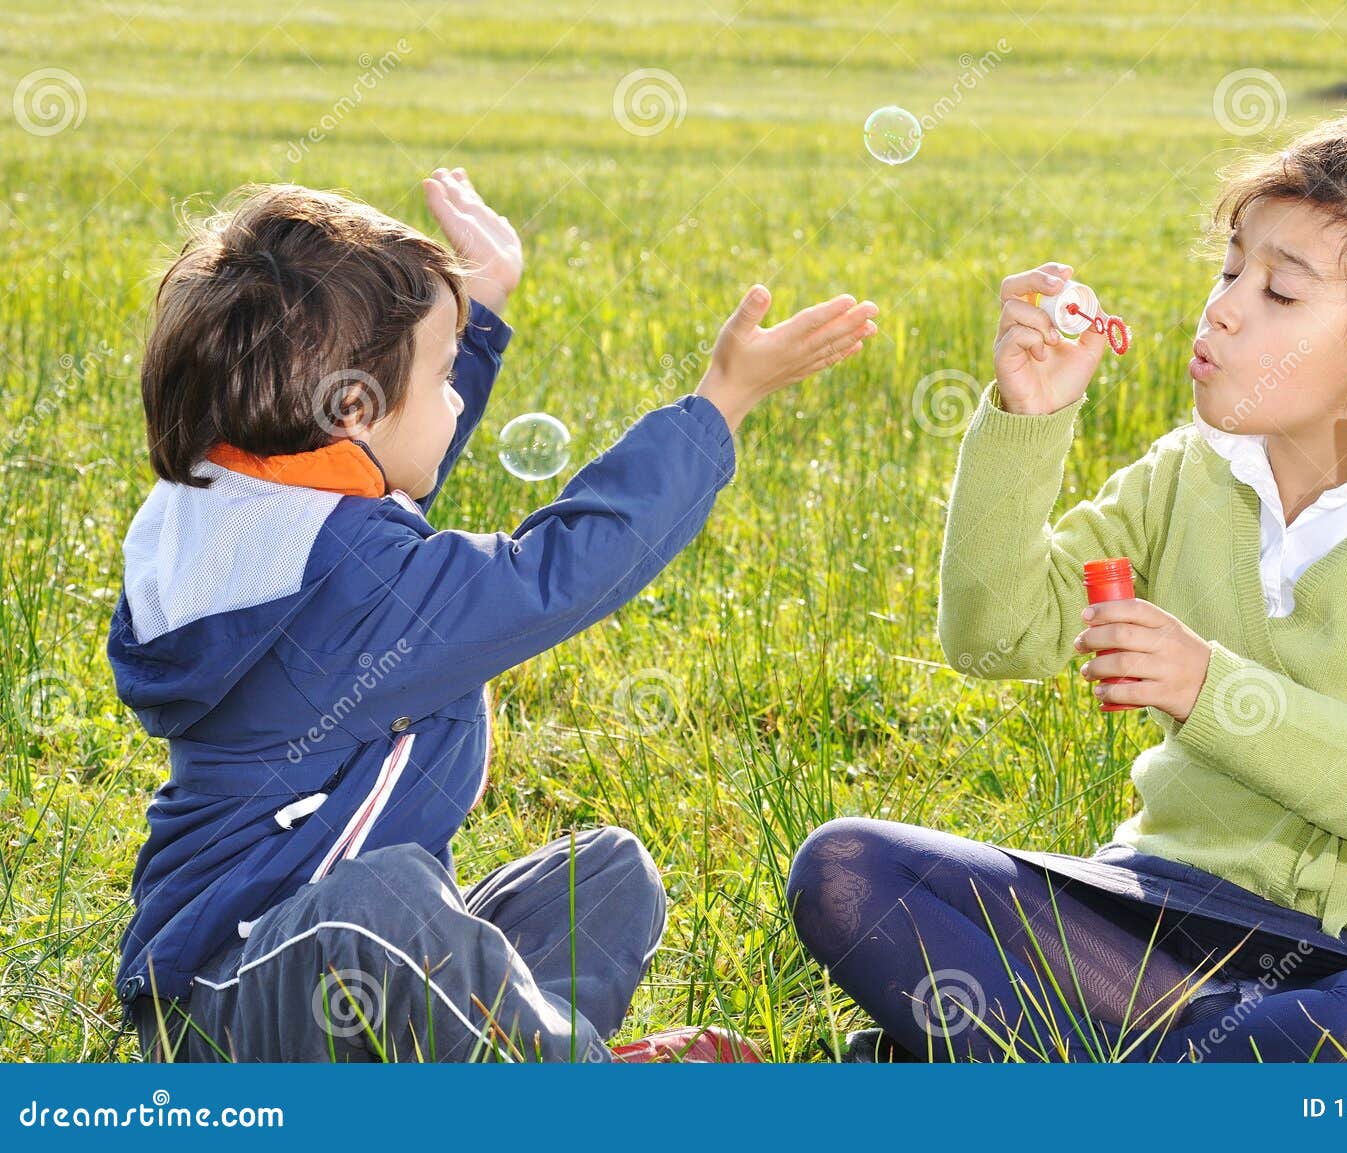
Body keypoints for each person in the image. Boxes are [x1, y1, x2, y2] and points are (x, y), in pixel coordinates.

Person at [787, 93, 1347, 1062]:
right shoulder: (1187, 476)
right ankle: (1170, 1086)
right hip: (1151, 922)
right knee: (846, 870)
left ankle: (1034, 1070)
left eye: (1279, 293)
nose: (1224, 306)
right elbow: (994, 635)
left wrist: (1215, 690)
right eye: (1229, 266)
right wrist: (1026, 416)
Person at [109, 167, 877, 1062]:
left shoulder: (229, 502)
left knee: (606, 877)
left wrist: (478, 313)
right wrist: (720, 403)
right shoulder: (359, 584)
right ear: (352, 407)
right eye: (445, 376)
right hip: (228, 1005)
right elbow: (556, 573)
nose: (456, 398)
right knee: (389, 900)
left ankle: (527, 1066)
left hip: (328, 982)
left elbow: (372, 475)